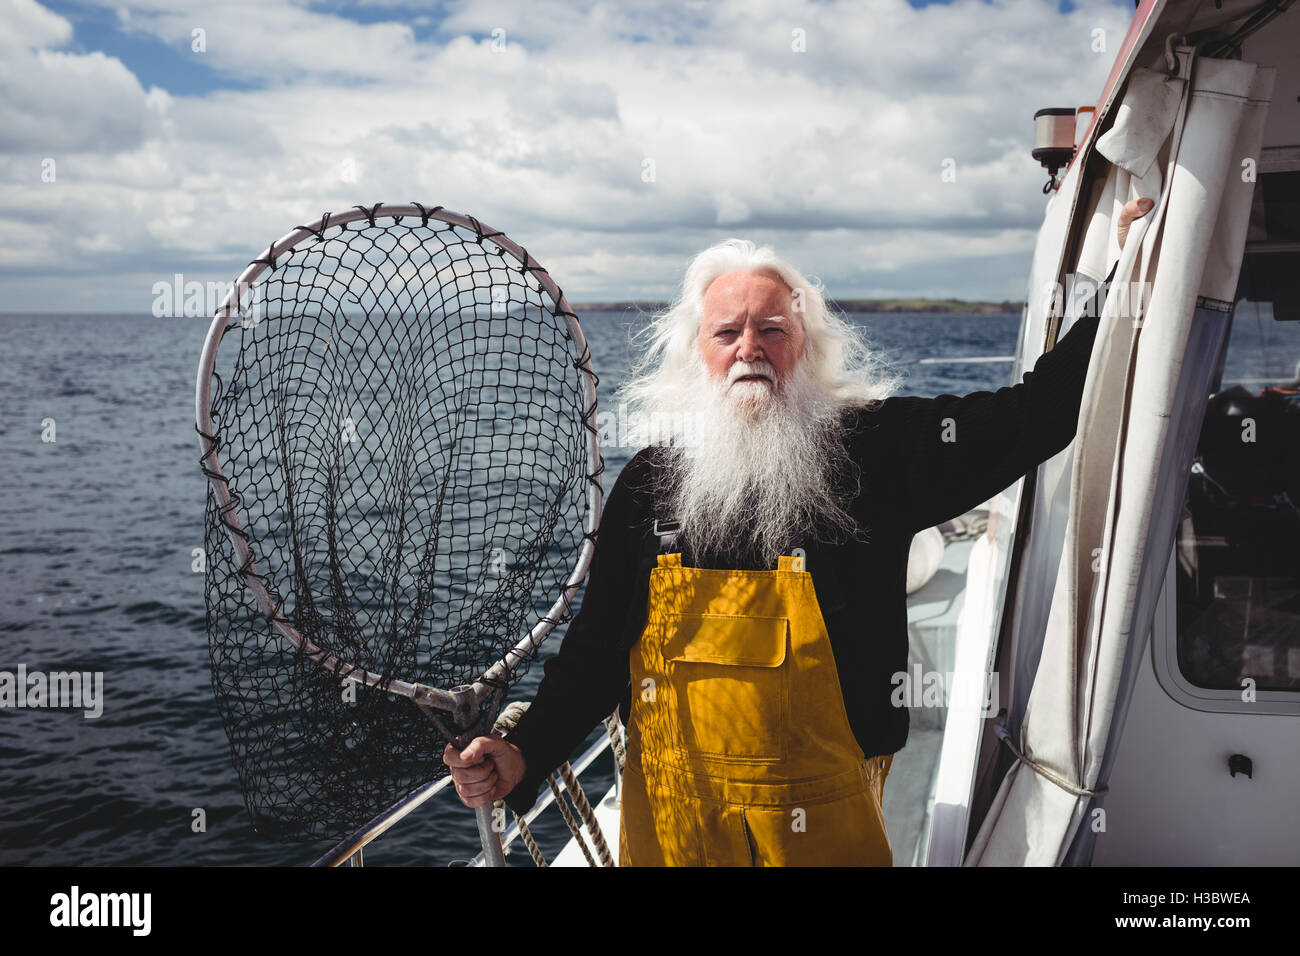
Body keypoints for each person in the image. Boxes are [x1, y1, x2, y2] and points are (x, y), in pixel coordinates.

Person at [445, 198, 1154, 866]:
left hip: (822, 821)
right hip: (673, 821)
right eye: (727, 332)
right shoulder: (649, 485)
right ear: (698, 353)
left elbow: (1038, 416)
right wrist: (525, 752)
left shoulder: (875, 453)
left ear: (805, 346)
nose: (749, 348)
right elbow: (597, 651)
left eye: (772, 329)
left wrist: (1124, 275)